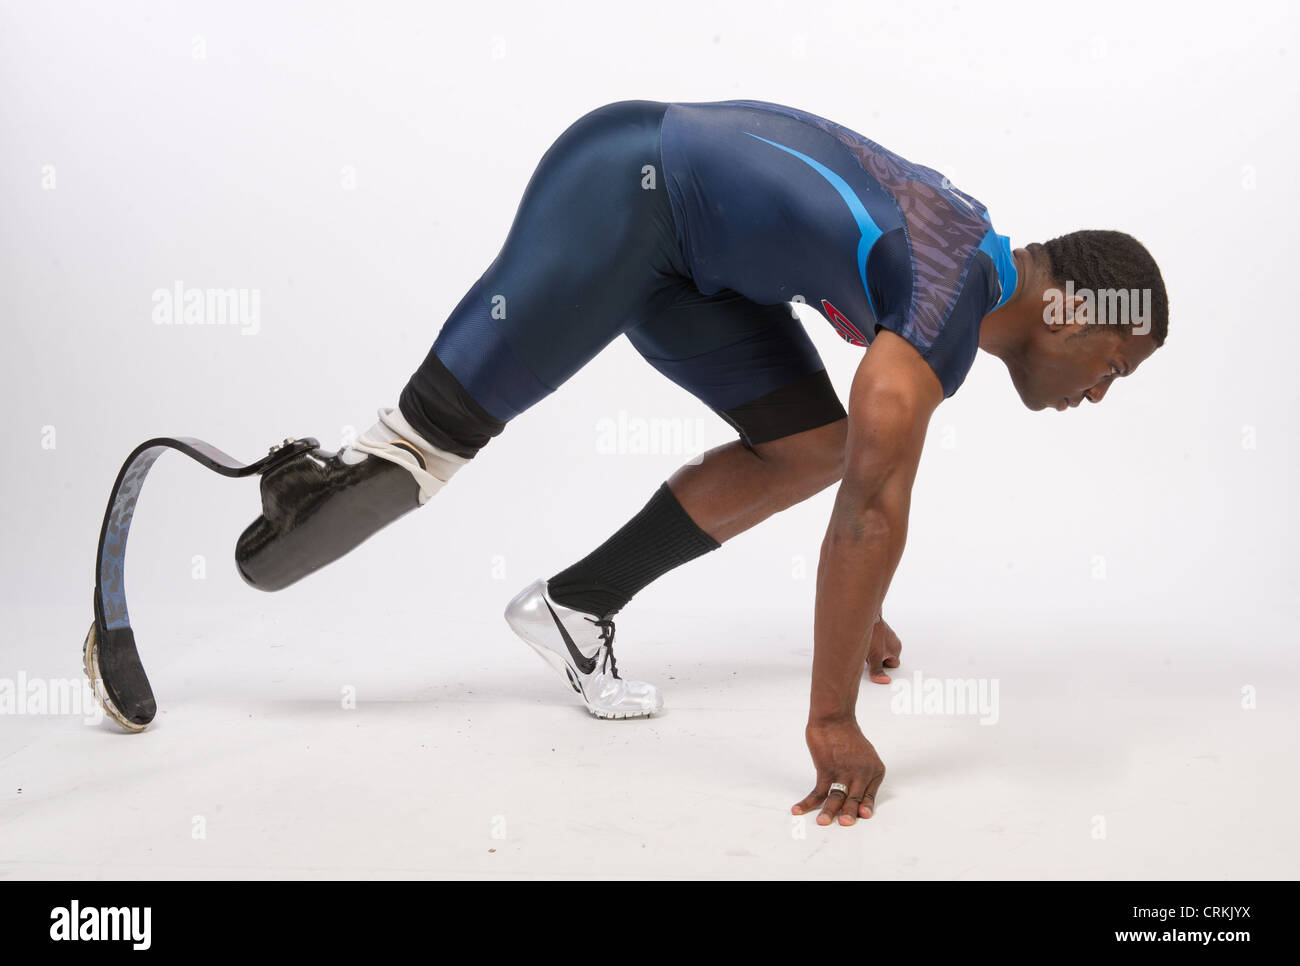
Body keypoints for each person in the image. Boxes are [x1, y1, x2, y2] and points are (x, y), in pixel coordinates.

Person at [234, 98, 1168, 826]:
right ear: (1074, 318)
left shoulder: (975, 262)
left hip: (698, 266)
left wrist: (863, 609)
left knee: (816, 447)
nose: (1099, 393)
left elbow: (859, 482)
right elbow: (870, 514)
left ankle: (574, 605)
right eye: (1114, 371)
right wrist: (833, 720)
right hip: (620, 189)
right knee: (425, 449)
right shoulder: (939, 314)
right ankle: (312, 476)